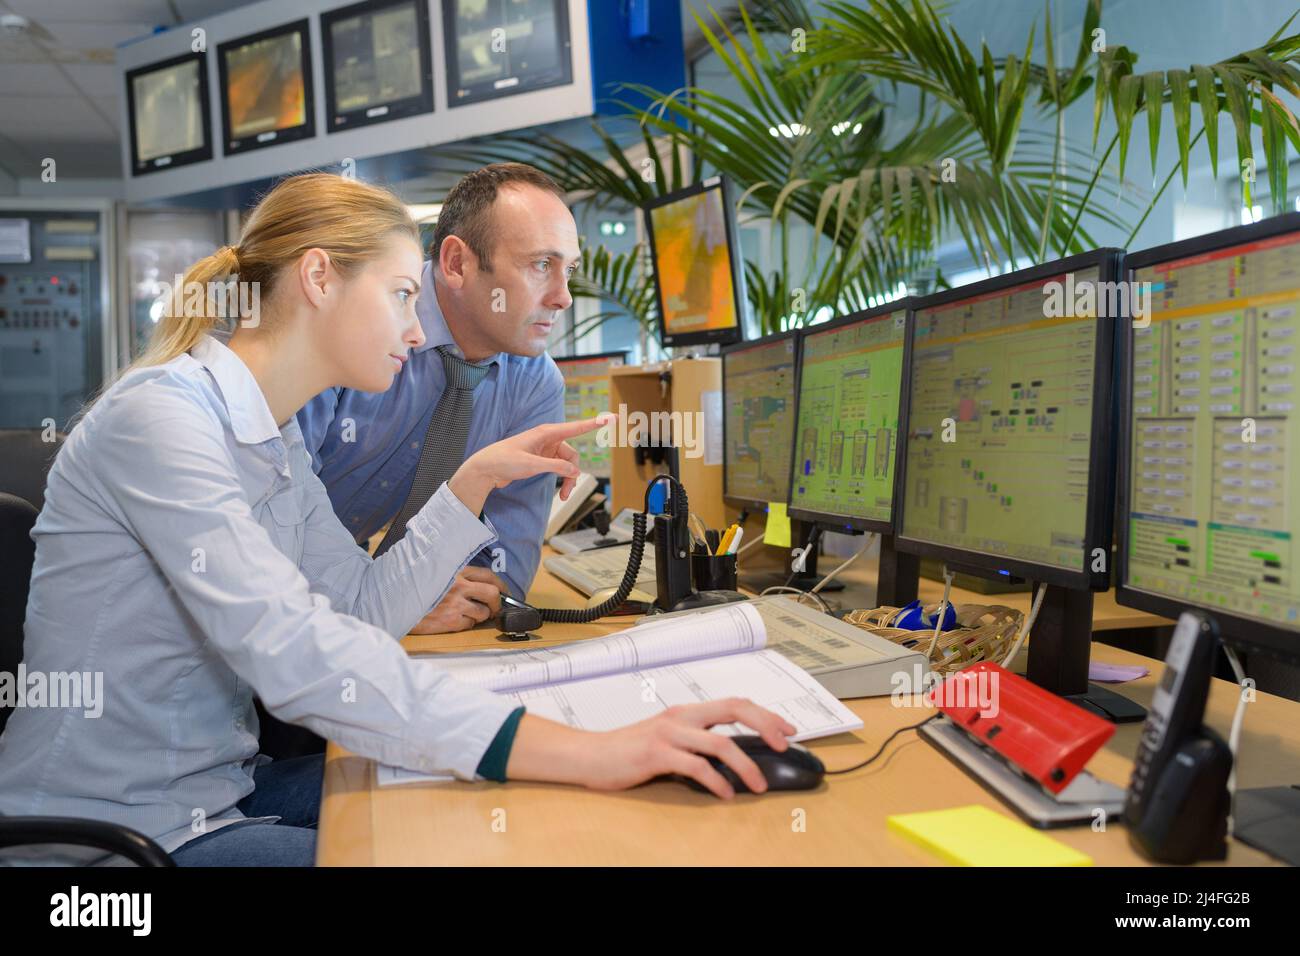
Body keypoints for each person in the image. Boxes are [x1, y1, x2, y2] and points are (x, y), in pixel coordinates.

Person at [0, 173, 795, 867]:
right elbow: (297, 656)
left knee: (510, 810)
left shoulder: (271, 434)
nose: (419, 332)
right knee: (461, 846)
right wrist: (592, 750)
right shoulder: (161, 420)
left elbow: (361, 610)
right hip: (113, 839)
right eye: (402, 296)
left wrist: (470, 484)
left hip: (216, 791)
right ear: (319, 278)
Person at [297, 163, 580, 636]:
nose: (563, 297)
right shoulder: (351, 329)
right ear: (456, 264)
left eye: (568, 269)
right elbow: (263, 535)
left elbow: (499, 572)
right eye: (540, 265)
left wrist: (409, 594)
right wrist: (391, 598)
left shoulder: (535, 382)